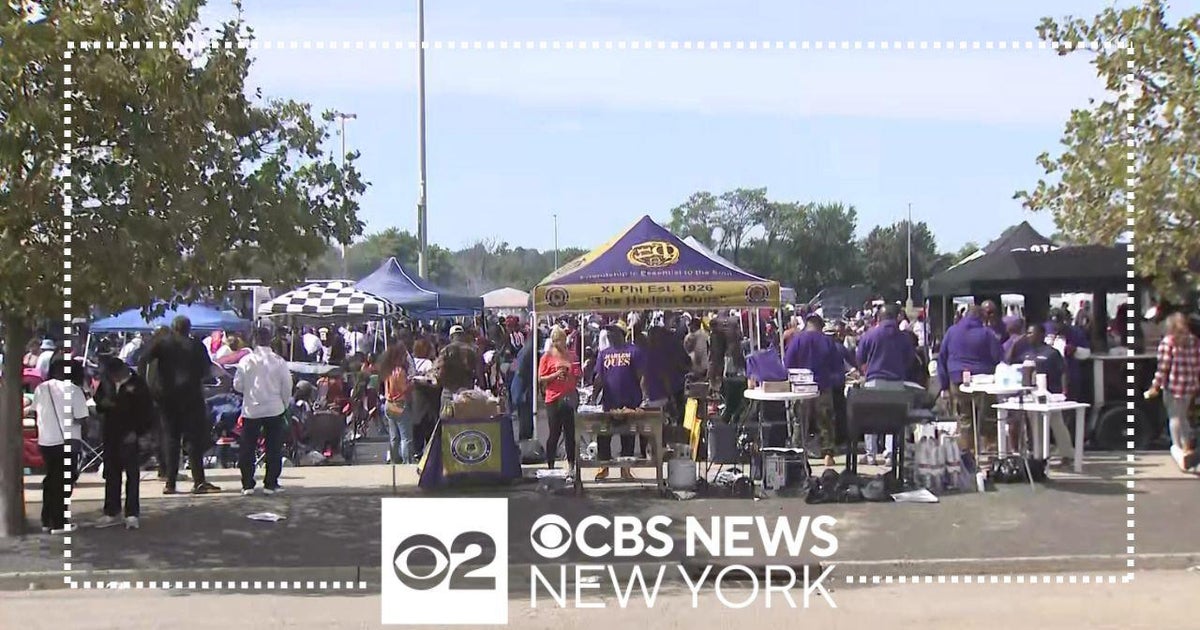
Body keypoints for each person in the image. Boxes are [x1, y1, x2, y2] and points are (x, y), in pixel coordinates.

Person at [140, 316, 221, 494]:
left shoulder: (162, 344)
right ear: (188, 328)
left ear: (173, 327)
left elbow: (144, 357)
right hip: (191, 396)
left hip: (167, 397)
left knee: (171, 439)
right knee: (193, 440)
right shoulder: (196, 345)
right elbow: (206, 371)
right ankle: (199, 481)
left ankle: (170, 482)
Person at [92, 355, 155, 529]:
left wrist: (138, 432)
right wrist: (104, 404)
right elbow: (98, 402)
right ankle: (112, 510)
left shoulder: (138, 384)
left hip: (130, 433)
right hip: (111, 432)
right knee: (112, 473)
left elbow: (147, 411)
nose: (113, 379)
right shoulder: (107, 383)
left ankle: (132, 513)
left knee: (132, 475)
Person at [855, 304, 918, 467]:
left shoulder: (870, 334)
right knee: (894, 420)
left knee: (869, 418)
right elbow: (910, 359)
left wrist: (866, 369)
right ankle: (890, 455)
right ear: (896, 318)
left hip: (874, 381)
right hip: (897, 382)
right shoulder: (904, 337)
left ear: (879, 318)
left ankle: (871, 455)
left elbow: (859, 357)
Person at [233, 328, 293, 495]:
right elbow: (287, 385)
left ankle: (247, 484)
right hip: (274, 408)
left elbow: (237, 385)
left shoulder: (246, 361)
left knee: (247, 447)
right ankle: (271, 483)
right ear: (270, 340)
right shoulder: (279, 361)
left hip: (252, 408)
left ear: (254, 340)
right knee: (273, 447)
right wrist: (284, 403)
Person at [937, 305, 1005, 453]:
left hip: (958, 379)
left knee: (965, 417)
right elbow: (998, 356)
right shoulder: (987, 333)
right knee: (987, 417)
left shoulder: (951, 331)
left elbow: (941, 358)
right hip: (983, 380)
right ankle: (989, 450)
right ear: (982, 318)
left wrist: (944, 385)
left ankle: (968, 452)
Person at [33, 358, 89, 534]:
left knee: (50, 480)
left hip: (46, 441)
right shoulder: (74, 390)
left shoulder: (41, 388)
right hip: (67, 441)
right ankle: (59, 521)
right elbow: (81, 418)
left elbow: (37, 410)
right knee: (64, 482)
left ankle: (46, 519)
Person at [592, 323, 648, 480]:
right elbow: (599, 377)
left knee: (628, 436)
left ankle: (625, 469)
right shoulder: (604, 353)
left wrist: (644, 398)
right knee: (603, 435)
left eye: (614, 332)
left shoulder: (634, 351)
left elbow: (641, 375)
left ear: (622, 334)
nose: (610, 335)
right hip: (609, 402)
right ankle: (604, 467)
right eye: (609, 332)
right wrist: (593, 396)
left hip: (630, 401)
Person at [1145, 312, 1200, 471]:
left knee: (1174, 417)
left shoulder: (1167, 343)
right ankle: (1188, 447)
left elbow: (1163, 369)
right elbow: (1198, 364)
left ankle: (1179, 449)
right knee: (1183, 417)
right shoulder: (1194, 341)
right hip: (1189, 385)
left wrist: (1154, 386)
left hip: (1173, 386)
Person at [784, 314, 841, 467]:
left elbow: (787, 363)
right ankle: (828, 454)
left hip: (800, 389)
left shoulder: (796, 340)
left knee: (799, 423)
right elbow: (837, 366)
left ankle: (797, 455)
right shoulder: (827, 342)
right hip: (822, 387)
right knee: (826, 422)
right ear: (821, 326)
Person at [1012, 323, 1074, 463]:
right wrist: (1016, 343)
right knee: (1036, 425)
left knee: (1057, 423)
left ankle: (1067, 454)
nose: (1028, 336)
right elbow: (1009, 359)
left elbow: (1063, 371)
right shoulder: (1027, 353)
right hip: (1031, 394)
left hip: (1051, 394)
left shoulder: (1051, 353)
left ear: (1041, 335)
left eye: (1030, 333)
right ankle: (1039, 457)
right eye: (1027, 333)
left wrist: (1064, 391)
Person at [537, 326, 580, 474]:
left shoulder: (571, 355)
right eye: (558, 340)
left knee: (570, 433)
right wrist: (555, 375)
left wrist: (572, 375)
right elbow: (541, 379)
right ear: (553, 341)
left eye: (563, 340)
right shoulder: (546, 357)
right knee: (554, 432)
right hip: (553, 398)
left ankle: (571, 464)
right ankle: (551, 464)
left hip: (568, 396)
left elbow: (577, 373)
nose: (561, 343)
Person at [378, 342, 415, 465]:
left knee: (394, 437)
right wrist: (411, 384)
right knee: (406, 438)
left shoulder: (387, 370)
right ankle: (407, 461)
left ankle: (394, 459)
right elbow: (404, 388)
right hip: (400, 404)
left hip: (389, 403)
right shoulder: (400, 371)